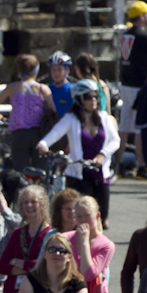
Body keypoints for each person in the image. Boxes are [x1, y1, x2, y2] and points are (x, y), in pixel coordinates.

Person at [37, 81, 119, 225]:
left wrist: (103, 154)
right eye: (89, 97)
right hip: (79, 173)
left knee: (102, 216)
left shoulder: (104, 118)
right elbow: (55, 133)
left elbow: (115, 140)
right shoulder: (71, 119)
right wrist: (43, 144)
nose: (93, 100)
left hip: (100, 173)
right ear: (80, 99)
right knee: (81, 217)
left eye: (96, 96)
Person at [0, 53, 53, 174]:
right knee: (41, 172)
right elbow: (53, 112)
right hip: (38, 133)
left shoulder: (12, 88)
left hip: (18, 135)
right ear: (36, 70)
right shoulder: (42, 89)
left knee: (20, 173)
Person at [119, 0, 147, 175]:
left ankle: (118, 162)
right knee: (138, 128)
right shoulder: (145, 38)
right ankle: (142, 165)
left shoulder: (125, 35)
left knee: (124, 126)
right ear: (142, 17)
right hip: (138, 87)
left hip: (125, 84)